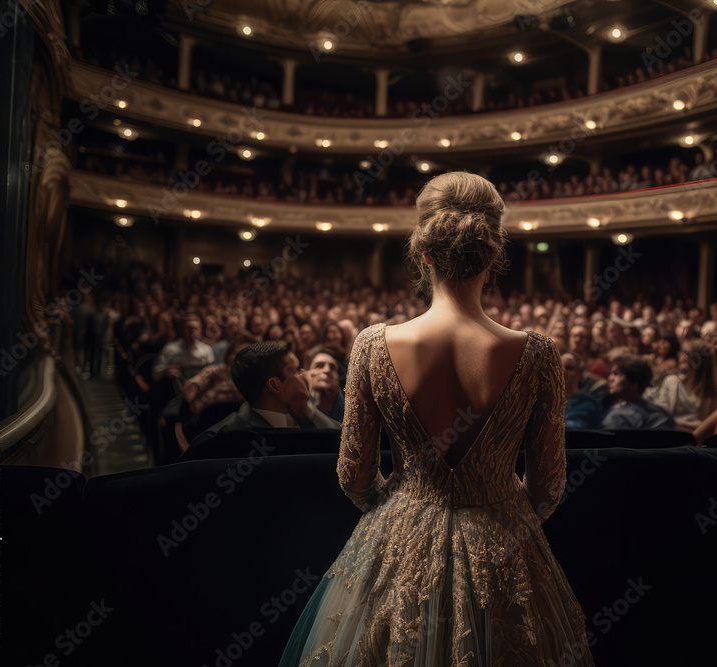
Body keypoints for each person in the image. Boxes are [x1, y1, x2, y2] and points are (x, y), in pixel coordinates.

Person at [278, 172, 594, 666]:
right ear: (492, 256)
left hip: (401, 531)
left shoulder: (372, 346)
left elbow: (354, 476)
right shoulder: (537, 354)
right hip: (504, 538)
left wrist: (402, 508)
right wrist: (504, 512)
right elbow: (548, 486)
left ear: (423, 254)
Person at [186, 341, 341, 451]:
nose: (304, 374)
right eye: (294, 371)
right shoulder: (218, 441)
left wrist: (307, 409)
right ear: (275, 385)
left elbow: (346, 442)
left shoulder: (307, 418)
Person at [601, 355, 675, 429]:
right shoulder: (660, 411)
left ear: (634, 383)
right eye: (611, 373)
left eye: (616, 374)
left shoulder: (618, 417)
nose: (610, 378)